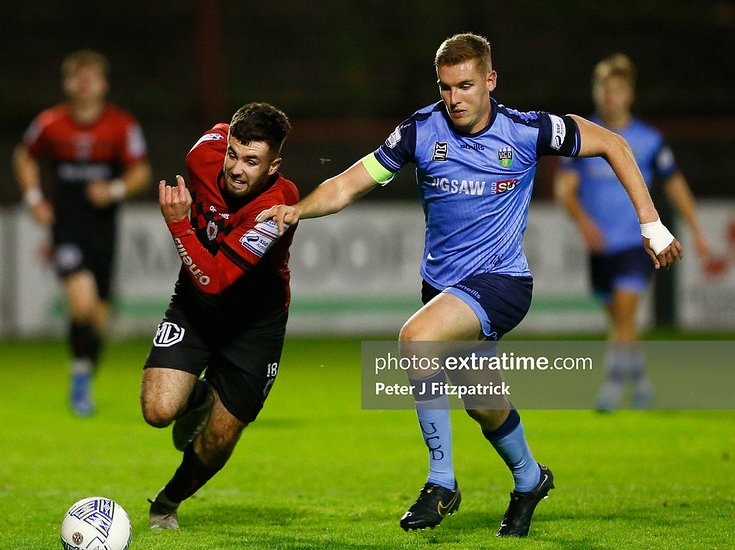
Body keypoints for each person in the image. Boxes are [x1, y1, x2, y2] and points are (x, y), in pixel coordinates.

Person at [257, 33, 682, 538]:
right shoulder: (419, 131)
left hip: (502, 282)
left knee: (414, 342)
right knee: (483, 402)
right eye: (445, 88)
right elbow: (350, 182)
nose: (454, 98)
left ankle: (442, 483)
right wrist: (298, 210)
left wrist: (651, 224)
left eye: (465, 85)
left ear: (489, 81)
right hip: (441, 289)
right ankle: (530, 479)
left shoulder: (527, 130)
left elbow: (613, 143)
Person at [141, 102, 299, 530]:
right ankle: (201, 397)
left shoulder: (277, 206)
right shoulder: (202, 154)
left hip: (255, 326)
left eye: (251, 161)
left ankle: (166, 504)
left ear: (273, 166)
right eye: (233, 154)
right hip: (196, 307)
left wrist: (179, 225)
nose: (236, 169)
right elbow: (204, 288)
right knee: (157, 410)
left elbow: (216, 278)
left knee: (219, 438)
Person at [554, 53, 711, 411]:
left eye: (618, 90)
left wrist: (698, 232)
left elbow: (675, 187)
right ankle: (640, 380)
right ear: (596, 93)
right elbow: (565, 188)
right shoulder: (582, 137)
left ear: (630, 95)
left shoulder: (649, 140)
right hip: (600, 246)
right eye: (604, 89)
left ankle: (611, 388)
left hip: (636, 244)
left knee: (624, 313)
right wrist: (583, 223)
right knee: (619, 320)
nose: (611, 97)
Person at [12, 50, 151, 416]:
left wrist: (115, 190)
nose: (85, 83)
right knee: (82, 302)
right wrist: (33, 198)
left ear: (103, 84)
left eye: (92, 76)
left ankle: (83, 377)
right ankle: (79, 379)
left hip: (104, 229)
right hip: (67, 227)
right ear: (67, 83)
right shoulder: (50, 123)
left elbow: (141, 172)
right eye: (78, 76)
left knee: (99, 317)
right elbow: (24, 156)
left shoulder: (121, 125)